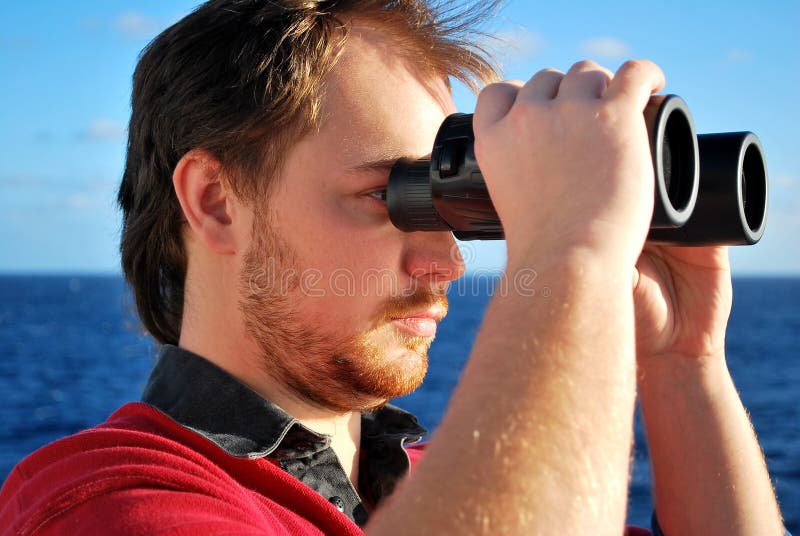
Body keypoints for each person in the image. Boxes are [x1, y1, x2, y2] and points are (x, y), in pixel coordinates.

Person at [0, 0, 787, 534]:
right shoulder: (102, 500)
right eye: (390, 195)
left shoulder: (443, 486)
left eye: (449, 202)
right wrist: (572, 251)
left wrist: (682, 362)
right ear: (215, 202)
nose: (447, 260)